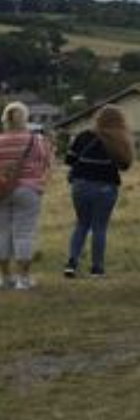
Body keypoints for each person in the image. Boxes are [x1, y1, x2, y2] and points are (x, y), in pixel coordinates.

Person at [64, 104, 133, 279]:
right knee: (99, 228)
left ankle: (71, 263)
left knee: (81, 224)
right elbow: (125, 166)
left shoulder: (83, 136)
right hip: (106, 187)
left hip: (80, 185)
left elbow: (69, 160)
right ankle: (97, 269)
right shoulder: (119, 140)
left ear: (98, 119)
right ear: (120, 122)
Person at [1, 102, 53, 290]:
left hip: (2, 191)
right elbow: (47, 161)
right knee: (24, 234)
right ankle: (23, 279)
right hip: (29, 190)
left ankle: (5, 278)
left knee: (2, 232)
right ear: (25, 118)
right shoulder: (36, 140)